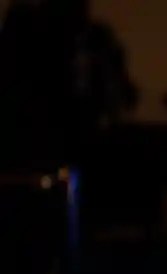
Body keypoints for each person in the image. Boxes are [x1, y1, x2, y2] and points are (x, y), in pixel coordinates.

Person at [0, 0, 136, 170]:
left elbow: (124, 95)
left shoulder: (97, 40)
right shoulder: (24, 29)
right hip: (35, 148)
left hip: (76, 146)